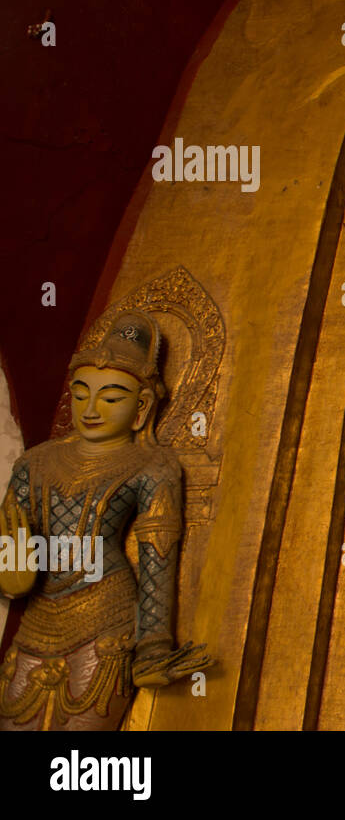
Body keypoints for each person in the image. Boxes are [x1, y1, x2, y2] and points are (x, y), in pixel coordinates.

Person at [0, 311, 208, 730]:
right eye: (81, 395)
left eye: (111, 399)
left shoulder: (152, 466)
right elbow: (10, 544)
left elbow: (157, 556)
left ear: (142, 406)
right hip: (37, 617)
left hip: (106, 617)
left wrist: (152, 647)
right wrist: (11, 567)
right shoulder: (34, 463)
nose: (91, 409)